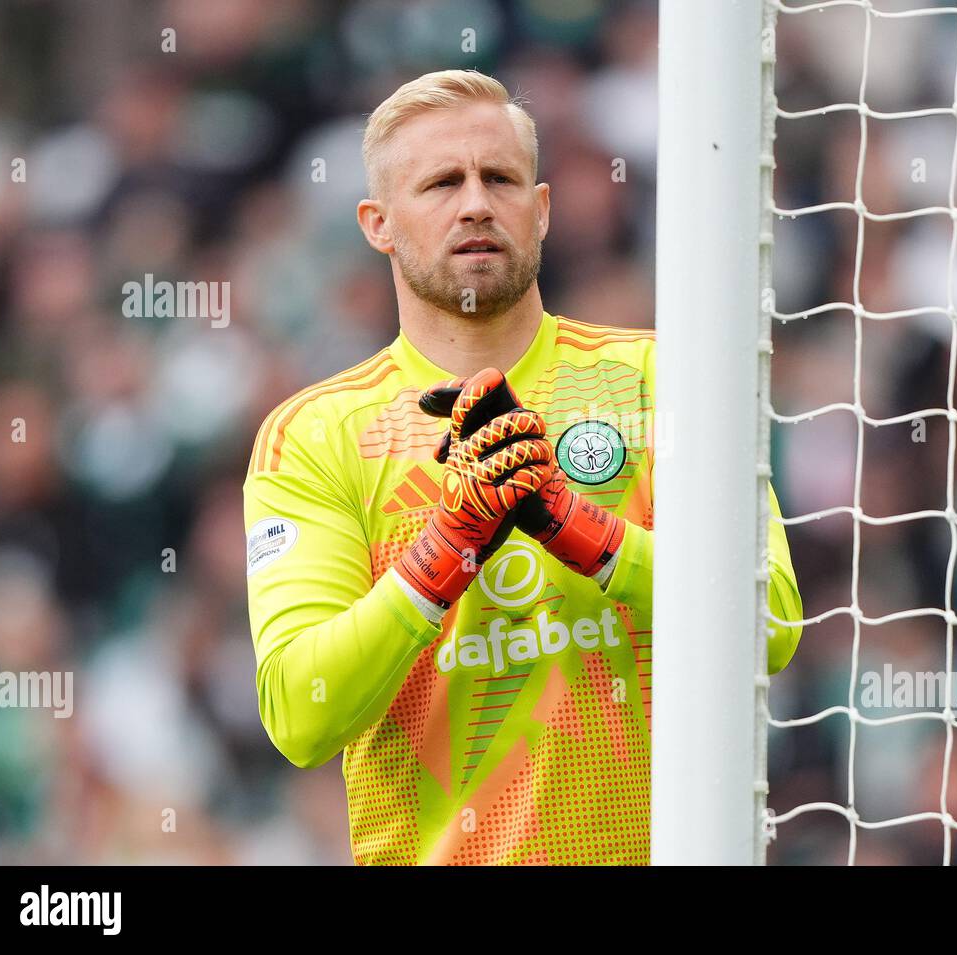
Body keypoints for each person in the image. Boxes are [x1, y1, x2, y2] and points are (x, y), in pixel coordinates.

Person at [242, 69, 804, 865]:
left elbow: (774, 624)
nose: (475, 202)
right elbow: (301, 712)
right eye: (441, 183)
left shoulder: (662, 378)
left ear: (539, 210)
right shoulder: (314, 433)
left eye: (499, 178)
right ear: (378, 224)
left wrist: (584, 533)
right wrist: (447, 546)